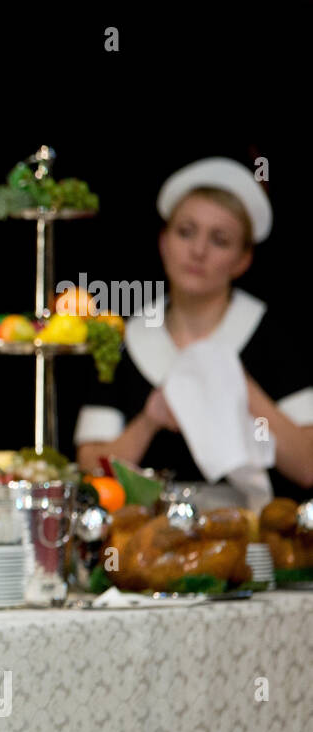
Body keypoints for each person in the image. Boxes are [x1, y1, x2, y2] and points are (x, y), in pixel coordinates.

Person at [74, 157, 313, 508]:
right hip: (145, 540)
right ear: (163, 241)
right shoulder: (128, 339)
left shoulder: (272, 337)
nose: (198, 251)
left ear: (243, 259)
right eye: (186, 232)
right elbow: (91, 471)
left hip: (249, 538)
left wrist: (240, 389)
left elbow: (307, 466)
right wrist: (148, 422)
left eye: (220, 240)